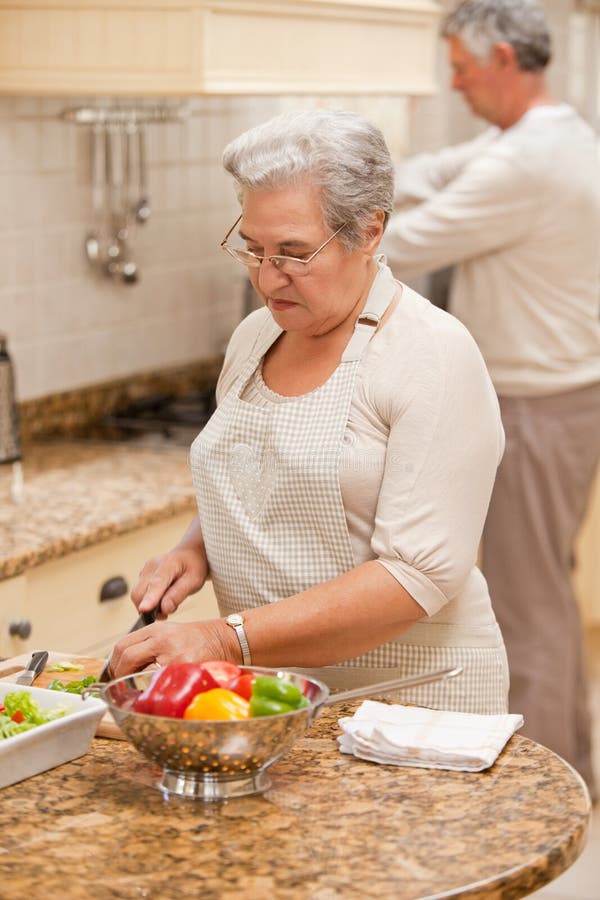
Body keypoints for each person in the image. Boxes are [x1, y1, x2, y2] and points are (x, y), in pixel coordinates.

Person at [109, 107, 509, 715]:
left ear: (369, 231)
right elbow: (262, 477)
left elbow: (415, 576)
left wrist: (224, 638)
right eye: (252, 249)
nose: (268, 280)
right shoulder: (253, 339)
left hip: (413, 704)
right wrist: (197, 547)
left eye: (293, 253)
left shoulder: (432, 354)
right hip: (276, 699)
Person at [379, 0, 600, 798]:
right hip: (557, 397)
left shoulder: (528, 163)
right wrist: (349, 175)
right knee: (539, 587)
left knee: (524, 600)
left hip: (536, 406)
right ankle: (569, 762)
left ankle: (546, 791)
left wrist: (326, 225)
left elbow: (407, 240)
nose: (457, 86)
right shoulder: (540, 139)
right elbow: (434, 172)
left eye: (465, 71)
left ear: (504, 59)